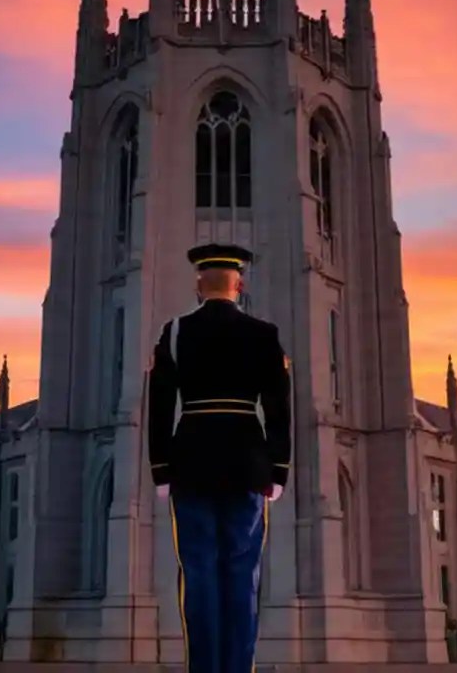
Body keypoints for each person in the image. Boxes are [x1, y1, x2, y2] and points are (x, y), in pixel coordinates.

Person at [148, 242, 292, 673]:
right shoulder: (264, 334)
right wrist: (278, 468)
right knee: (241, 573)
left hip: (190, 462)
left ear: (198, 285)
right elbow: (279, 408)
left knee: (198, 572)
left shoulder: (173, 333)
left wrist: (161, 469)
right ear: (240, 284)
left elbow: (158, 407)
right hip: (248, 463)